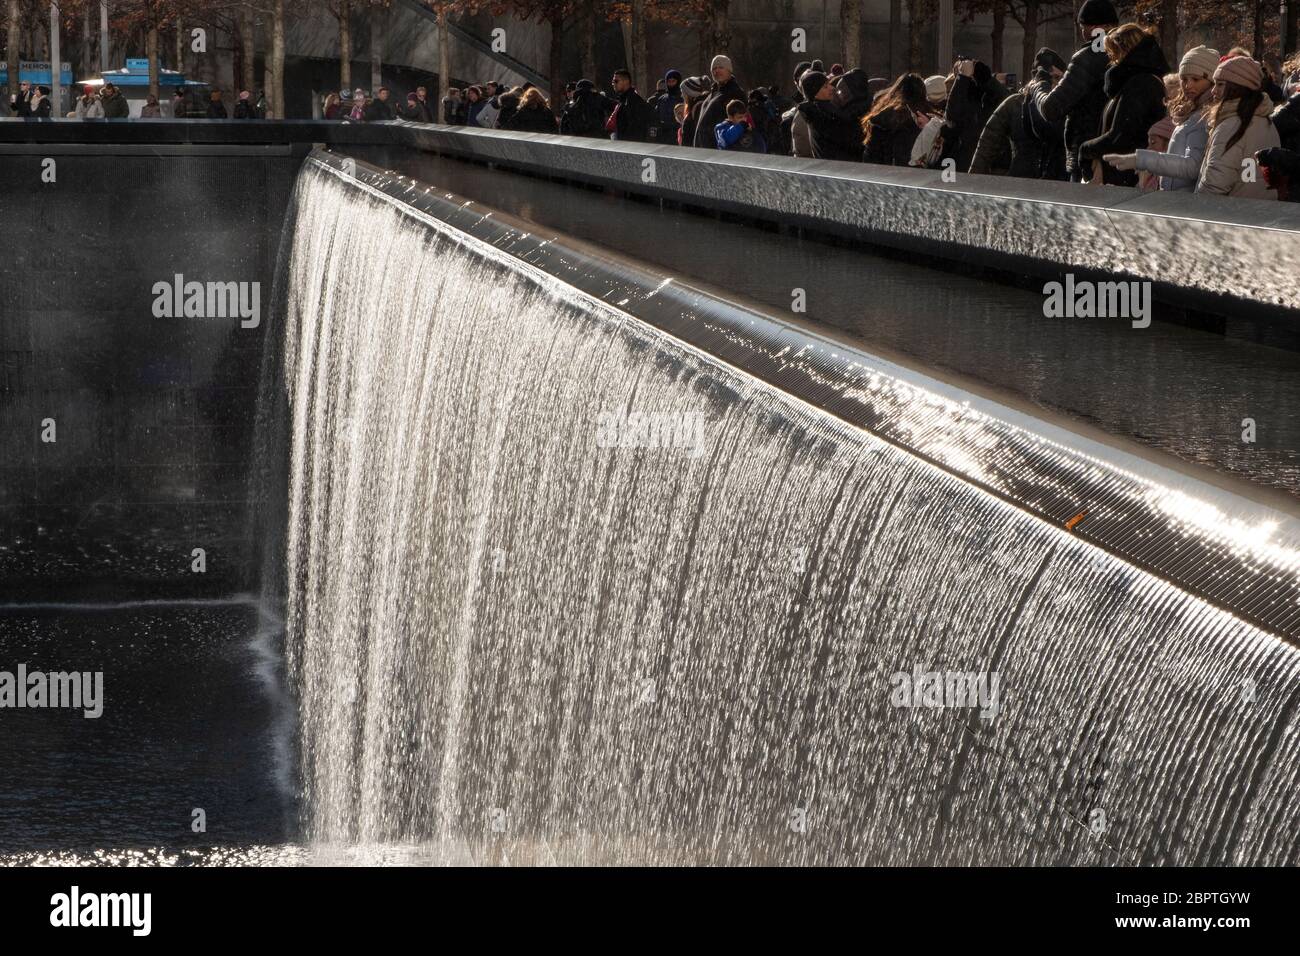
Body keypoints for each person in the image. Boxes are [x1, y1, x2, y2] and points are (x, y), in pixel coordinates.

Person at [1103, 45, 1219, 191]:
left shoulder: (1204, 116)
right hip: (1177, 196)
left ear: (1211, 81)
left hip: (1185, 200)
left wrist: (1142, 160)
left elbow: (1192, 166)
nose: (1188, 85)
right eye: (1184, 79)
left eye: (1196, 79)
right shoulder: (1192, 112)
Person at [1026, 0, 1120, 181]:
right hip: (1125, 159)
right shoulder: (1127, 55)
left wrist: (1039, 84)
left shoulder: (1087, 59)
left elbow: (1050, 108)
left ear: (1087, 27)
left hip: (1088, 159)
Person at [1077, 23, 1170, 185]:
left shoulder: (1140, 83)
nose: (1112, 60)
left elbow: (1121, 136)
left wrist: (1085, 149)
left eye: (1114, 53)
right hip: (1124, 173)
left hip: (1126, 176)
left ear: (1125, 51)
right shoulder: (1139, 81)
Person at [1195, 55, 1279, 199]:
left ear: (1238, 88)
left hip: (1229, 214)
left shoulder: (1231, 126)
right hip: (1263, 214)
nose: (1213, 91)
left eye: (1220, 84)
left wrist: (1195, 211)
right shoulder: (1267, 122)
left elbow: (1214, 185)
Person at [942, 59, 1010, 172]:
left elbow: (1006, 102)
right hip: (972, 166)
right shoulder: (970, 100)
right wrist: (964, 79)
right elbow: (953, 118)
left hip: (979, 167)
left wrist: (965, 78)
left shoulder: (987, 98)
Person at [862, 73, 932, 165]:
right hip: (918, 175)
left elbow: (871, 157)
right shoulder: (929, 120)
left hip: (884, 174)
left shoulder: (882, 118)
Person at [796, 70, 863, 161]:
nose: (832, 88)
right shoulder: (823, 114)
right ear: (814, 92)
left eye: (829, 84)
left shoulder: (819, 110)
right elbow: (846, 142)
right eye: (825, 87)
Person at [692, 55, 746, 148]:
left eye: (721, 67)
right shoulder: (712, 93)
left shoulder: (735, 93)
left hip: (718, 151)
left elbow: (739, 122)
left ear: (729, 70)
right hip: (703, 150)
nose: (717, 71)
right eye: (714, 68)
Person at [609, 68, 653, 142]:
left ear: (626, 81)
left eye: (616, 81)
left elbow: (636, 129)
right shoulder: (623, 100)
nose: (613, 84)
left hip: (631, 146)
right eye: (613, 81)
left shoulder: (633, 100)